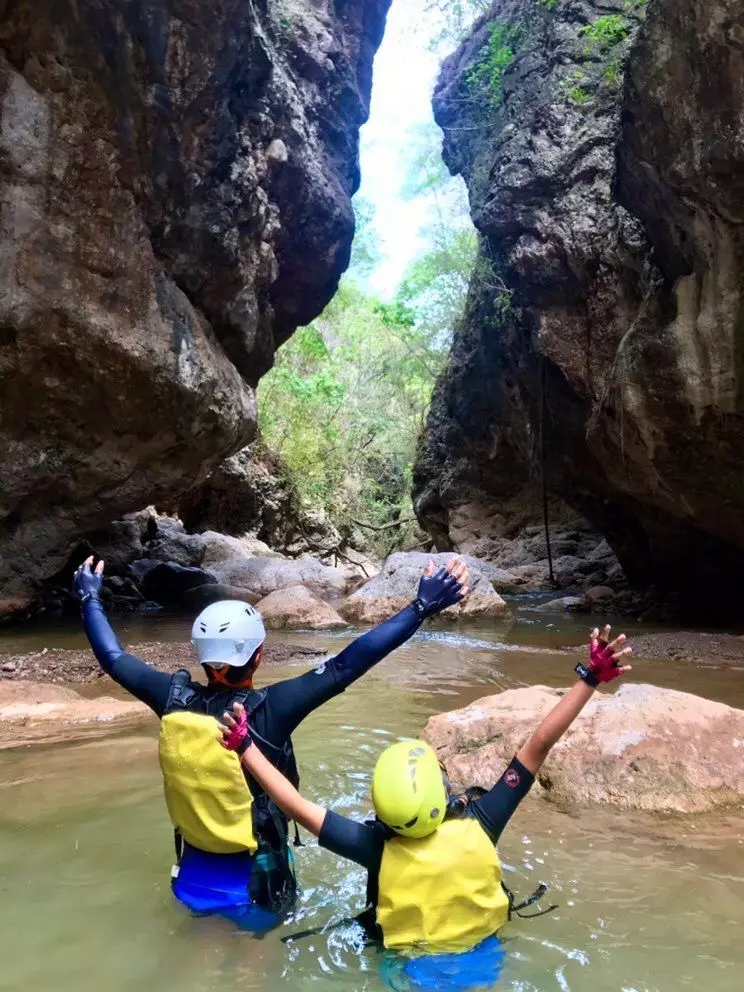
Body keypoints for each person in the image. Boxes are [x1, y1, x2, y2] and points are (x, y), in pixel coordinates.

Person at [73, 554, 469, 926]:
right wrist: (421, 607)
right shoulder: (272, 710)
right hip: (259, 877)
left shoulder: (170, 698)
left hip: (194, 868)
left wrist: (90, 596)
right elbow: (349, 662)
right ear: (258, 657)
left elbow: (113, 657)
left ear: (202, 656)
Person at [217, 626, 632, 968]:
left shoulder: (372, 846)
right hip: (485, 960)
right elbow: (538, 745)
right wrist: (589, 678)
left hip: (408, 966)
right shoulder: (484, 820)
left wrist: (244, 746)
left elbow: (294, 806)